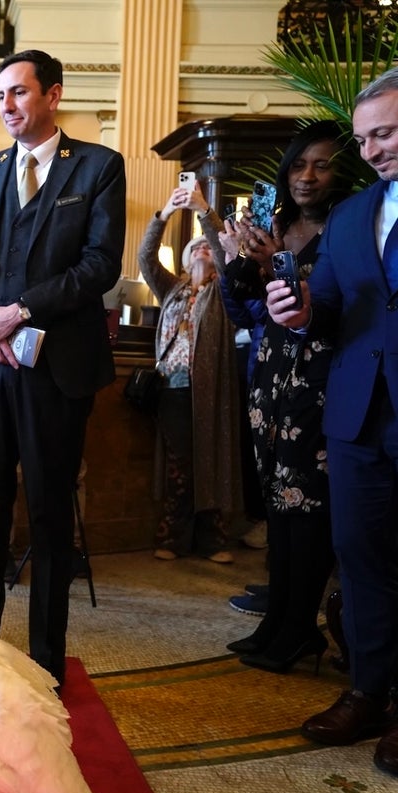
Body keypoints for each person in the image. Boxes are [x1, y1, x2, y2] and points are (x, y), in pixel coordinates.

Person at [0, 50, 126, 685]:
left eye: (18, 93)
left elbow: (99, 266)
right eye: (0, 96)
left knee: (49, 514)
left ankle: (46, 661)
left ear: (52, 94)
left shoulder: (99, 167)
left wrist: (16, 312)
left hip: (57, 371)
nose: (7, 106)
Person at [266, 68, 398, 776]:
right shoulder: (351, 216)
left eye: (388, 132)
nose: (374, 149)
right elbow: (334, 311)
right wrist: (303, 313)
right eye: (367, 138)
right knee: (363, 560)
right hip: (355, 417)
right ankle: (369, 691)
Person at [220, 121, 351, 674]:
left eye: (321, 165)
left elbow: (333, 306)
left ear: (340, 173)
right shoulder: (278, 222)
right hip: (269, 377)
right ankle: (277, 621)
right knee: (276, 505)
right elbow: (242, 308)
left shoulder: (344, 228)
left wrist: (277, 261)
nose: (307, 175)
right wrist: (235, 259)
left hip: (318, 381)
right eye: (299, 164)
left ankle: (300, 629)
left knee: (308, 511)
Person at [138, 183, 240, 565]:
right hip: (173, 389)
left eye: (206, 247)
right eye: (193, 248)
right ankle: (174, 537)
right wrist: (163, 214)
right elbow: (146, 258)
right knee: (180, 464)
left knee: (212, 460)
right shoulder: (172, 290)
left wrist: (202, 210)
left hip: (213, 389)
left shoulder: (226, 289)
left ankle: (213, 539)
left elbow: (227, 254)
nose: (200, 248)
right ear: (183, 263)